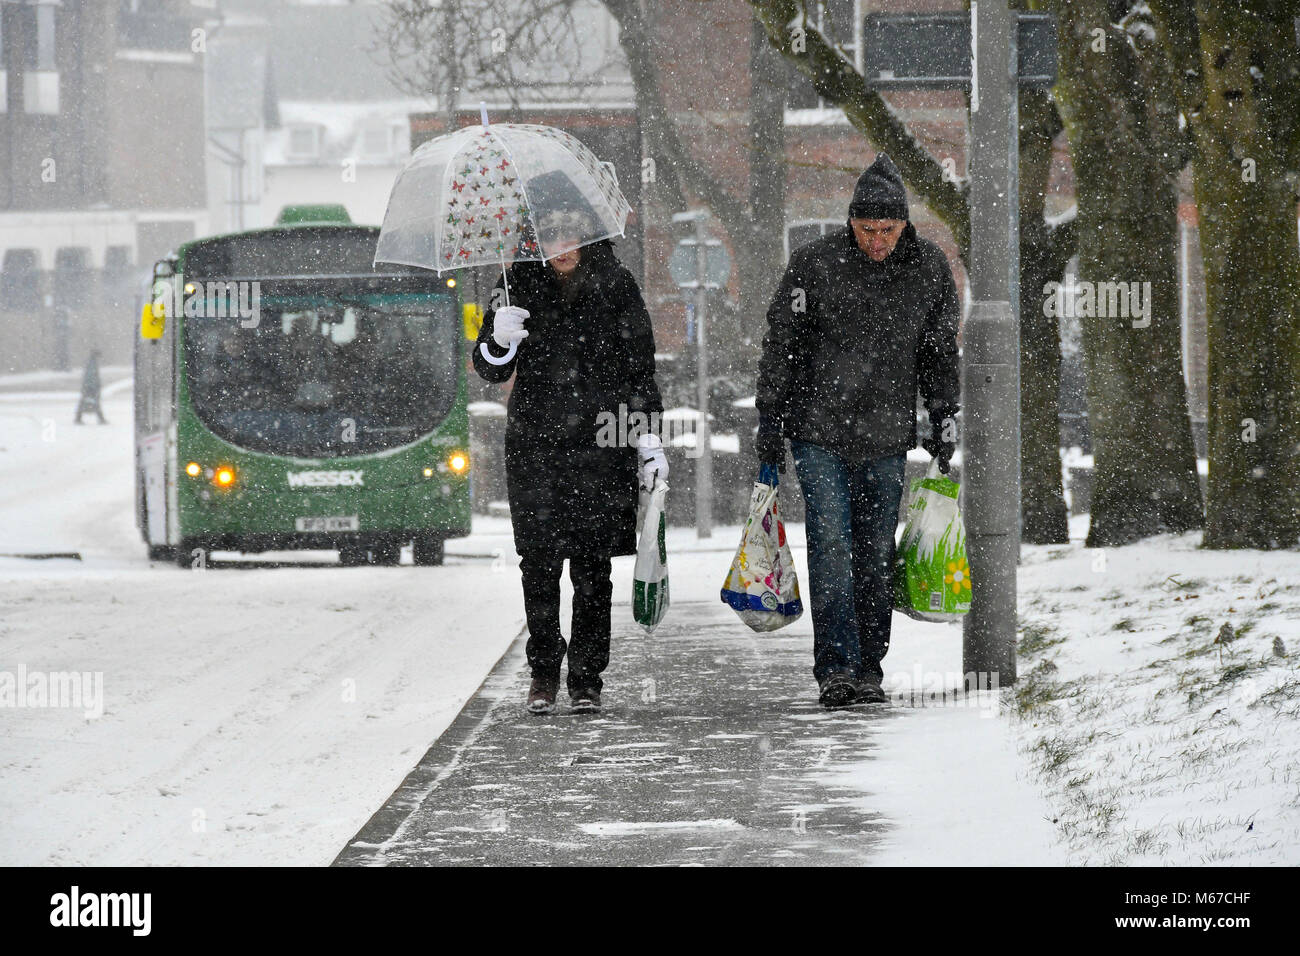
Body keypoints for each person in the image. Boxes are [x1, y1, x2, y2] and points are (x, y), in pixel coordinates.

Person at [755, 153, 960, 710]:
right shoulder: (813, 266)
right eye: (867, 230)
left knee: (873, 552)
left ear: (904, 225)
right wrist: (770, 418)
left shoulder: (928, 270)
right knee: (830, 544)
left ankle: (870, 665)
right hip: (818, 429)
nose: (877, 241)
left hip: (887, 435)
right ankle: (837, 669)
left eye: (888, 230)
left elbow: (939, 353)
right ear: (850, 223)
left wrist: (944, 414)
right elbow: (782, 346)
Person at [472, 175, 666, 715]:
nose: (562, 246)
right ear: (536, 239)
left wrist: (647, 433)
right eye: (550, 234)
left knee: (593, 565)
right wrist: (498, 340)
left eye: (571, 234)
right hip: (535, 445)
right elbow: (489, 370)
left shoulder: (617, 285)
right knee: (537, 563)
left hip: (602, 443)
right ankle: (543, 672)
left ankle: (586, 676)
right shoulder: (514, 287)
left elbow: (639, 368)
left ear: (588, 236)